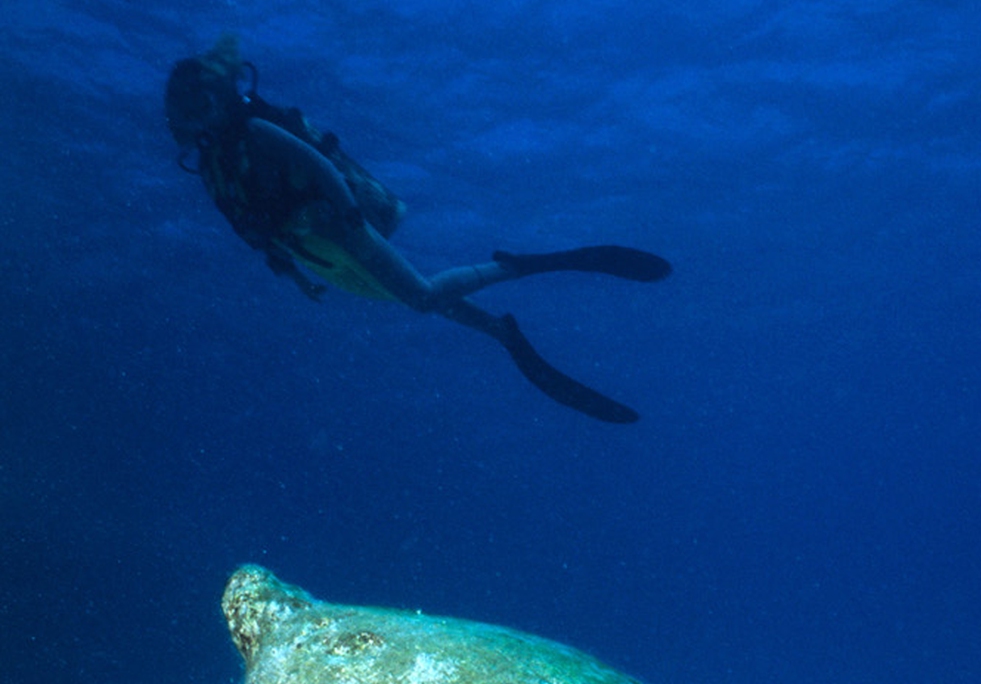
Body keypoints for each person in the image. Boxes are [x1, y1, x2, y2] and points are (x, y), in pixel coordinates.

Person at [164, 34, 670, 423]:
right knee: (408, 298)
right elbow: (249, 224)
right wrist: (293, 274)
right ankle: (499, 330)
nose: (191, 122)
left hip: (338, 230)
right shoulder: (214, 164)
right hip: (314, 249)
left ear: (215, 97)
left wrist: (349, 211)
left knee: (422, 296)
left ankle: (514, 266)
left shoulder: (251, 131)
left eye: (196, 107)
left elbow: (315, 163)